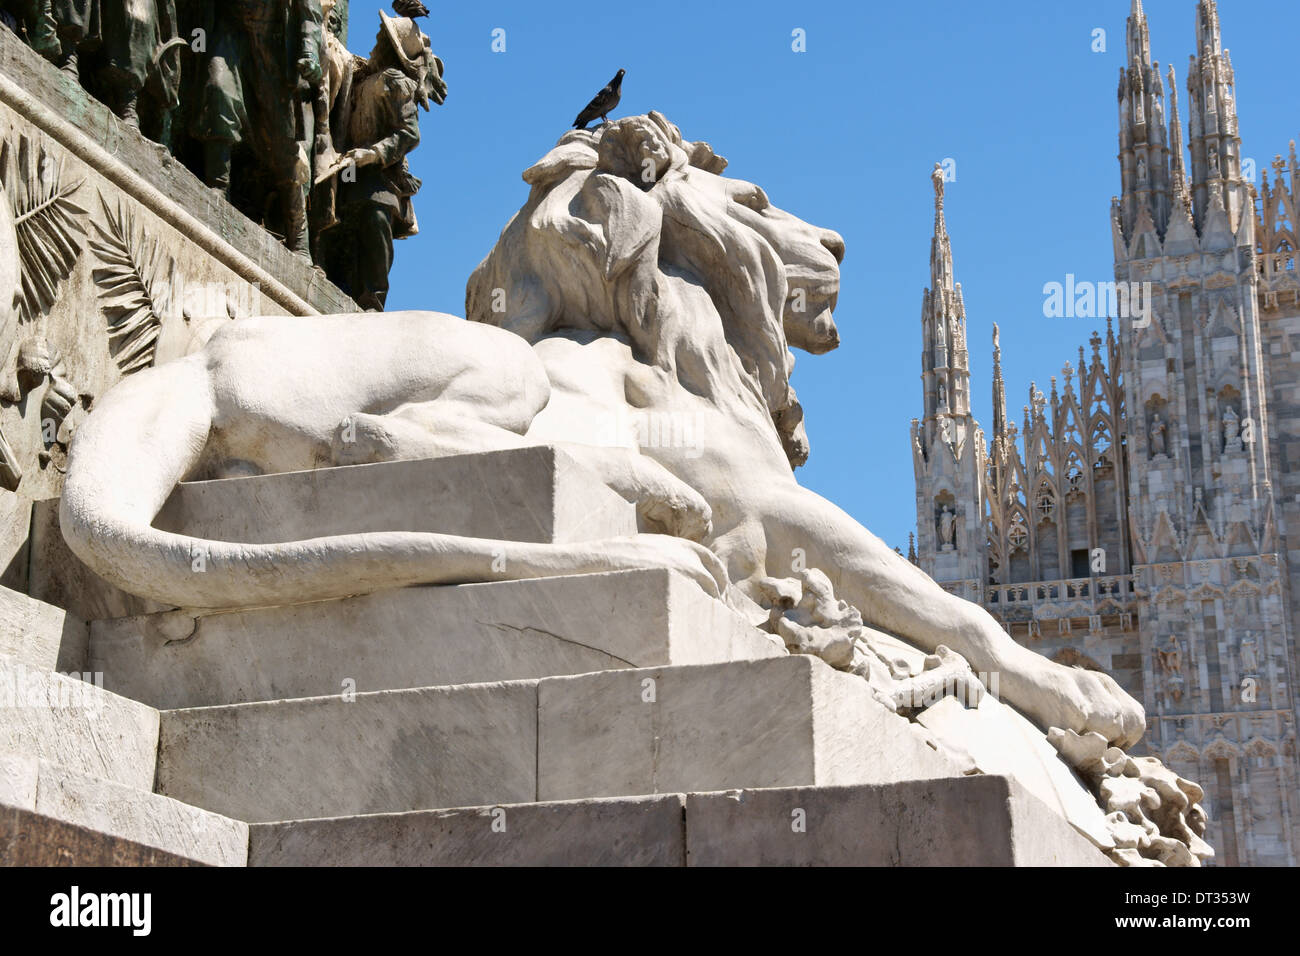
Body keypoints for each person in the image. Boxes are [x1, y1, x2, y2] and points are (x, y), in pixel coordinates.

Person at [325, 10, 444, 309]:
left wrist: (374, 153)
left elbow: (409, 133)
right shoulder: (364, 74)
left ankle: (374, 298)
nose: (376, 40)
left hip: (380, 177)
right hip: (349, 168)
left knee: (374, 221)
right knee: (344, 225)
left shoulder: (396, 82)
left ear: (391, 47)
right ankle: (345, 287)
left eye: (383, 37)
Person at [190, 0, 324, 258]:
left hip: (273, 43)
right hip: (233, 31)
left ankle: (298, 239)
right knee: (219, 90)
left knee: (282, 144)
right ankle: (218, 187)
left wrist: (308, 52)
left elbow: (309, 11)